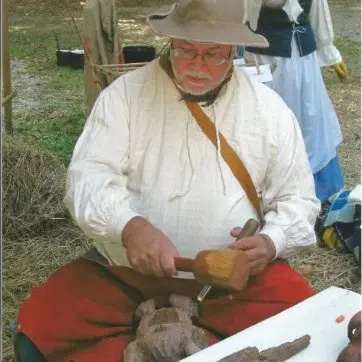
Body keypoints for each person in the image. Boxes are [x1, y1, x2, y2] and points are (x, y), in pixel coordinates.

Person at [14, 0, 320, 361]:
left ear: (233, 50)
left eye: (213, 54)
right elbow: (87, 178)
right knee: (41, 326)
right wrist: (130, 227)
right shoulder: (124, 98)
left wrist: (271, 241)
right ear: (170, 41)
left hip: (232, 287)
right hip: (128, 276)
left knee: (309, 324)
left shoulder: (269, 111)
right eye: (186, 49)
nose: (197, 65)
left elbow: (298, 199)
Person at [244, 0, 347, 203]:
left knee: (310, 121)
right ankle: (270, 189)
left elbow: (319, 13)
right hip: (265, 60)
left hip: (304, 61)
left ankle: (316, 188)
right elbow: (241, 13)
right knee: (272, 122)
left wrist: (330, 53)